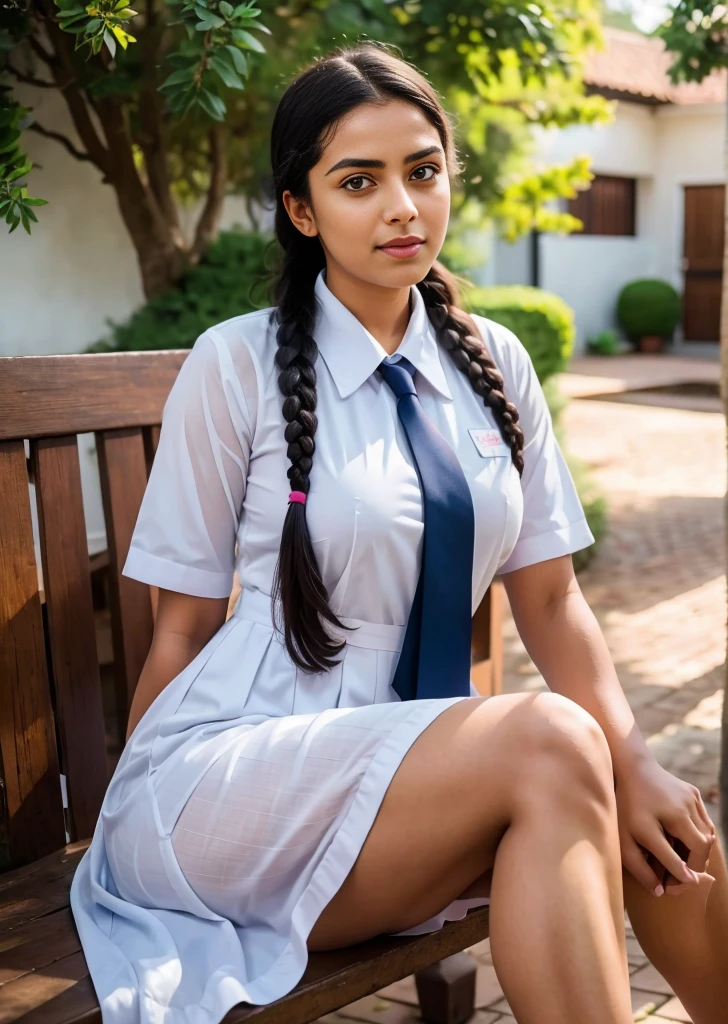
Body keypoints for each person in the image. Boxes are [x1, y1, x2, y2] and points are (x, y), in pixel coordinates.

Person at [70, 41, 727, 1024]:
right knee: (555, 739)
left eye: (422, 171)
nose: (401, 207)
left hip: (405, 783)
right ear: (301, 209)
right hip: (230, 778)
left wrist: (637, 761)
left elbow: (548, 596)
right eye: (357, 180)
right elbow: (180, 627)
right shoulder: (236, 364)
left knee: (668, 830)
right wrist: (130, 820)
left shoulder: (492, 361)